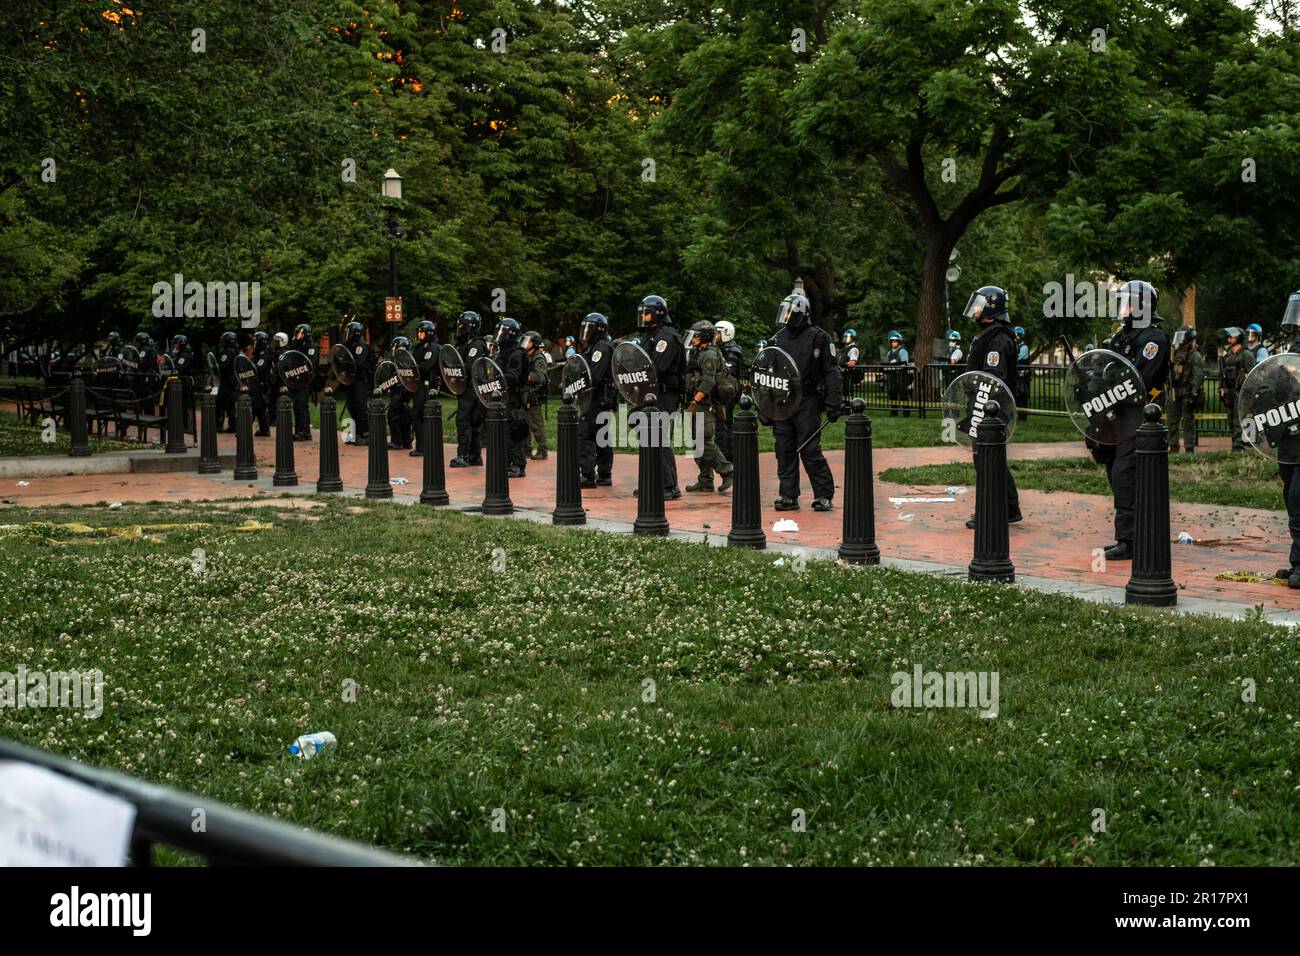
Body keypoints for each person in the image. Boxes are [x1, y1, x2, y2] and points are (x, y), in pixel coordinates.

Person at [1095, 280, 1169, 560]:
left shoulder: (1154, 339)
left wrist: (1112, 382)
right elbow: (1105, 368)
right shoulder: (1120, 336)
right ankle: (1130, 534)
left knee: (1125, 475)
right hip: (1117, 416)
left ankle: (1131, 540)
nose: (1122, 307)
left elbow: (1142, 379)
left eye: (1128, 302)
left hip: (1140, 418)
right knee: (1114, 469)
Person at [768, 291, 841, 511]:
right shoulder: (777, 338)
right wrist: (766, 406)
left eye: (789, 311)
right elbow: (767, 372)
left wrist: (833, 401)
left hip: (807, 400)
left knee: (809, 449)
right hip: (782, 402)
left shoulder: (820, 337)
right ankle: (788, 495)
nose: (785, 316)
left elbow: (831, 372)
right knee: (784, 449)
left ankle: (824, 495)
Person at [961, 287, 1023, 530]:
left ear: (990, 308)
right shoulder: (990, 334)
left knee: (986, 459)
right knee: (992, 459)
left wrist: (981, 410)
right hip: (984, 407)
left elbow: (991, 378)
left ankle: (990, 510)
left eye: (979, 304)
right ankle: (1009, 508)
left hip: (990, 409)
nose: (975, 309)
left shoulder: (997, 339)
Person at [637, 294, 683, 500]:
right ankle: (652, 481)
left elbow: (657, 368)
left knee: (656, 436)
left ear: (658, 314)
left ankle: (669, 485)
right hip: (652, 394)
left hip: (664, 393)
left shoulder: (666, 336)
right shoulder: (653, 334)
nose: (643, 317)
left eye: (646, 314)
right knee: (647, 436)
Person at [683, 321, 735, 493]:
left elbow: (708, 382)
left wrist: (695, 402)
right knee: (697, 444)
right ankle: (705, 480)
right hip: (700, 404)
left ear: (704, 337)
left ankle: (728, 471)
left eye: (696, 335)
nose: (693, 338)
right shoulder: (699, 351)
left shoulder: (709, 355)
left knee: (704, 442)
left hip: (706, 405)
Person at [1273, 290, 1300, 587]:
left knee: (1298, 497)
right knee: (1291, 496)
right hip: (1291, 437)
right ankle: (1297, 560)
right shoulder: (1293, 349)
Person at [577, 312, 615, 488]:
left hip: (597, 397)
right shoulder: (595, 347)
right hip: (601, 399)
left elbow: (595, 376)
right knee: (602, 437)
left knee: (587, 435)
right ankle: (604, 474)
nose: (586, 332)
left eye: (589, 328)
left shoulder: (601, 348)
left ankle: (588, 475)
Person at [450, 311, 487, 467]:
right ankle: (474, 456)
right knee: (472, 422)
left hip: (472, 389)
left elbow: (471, 365)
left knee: (464, 421)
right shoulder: (465, 343)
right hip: (467, 388)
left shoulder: (477, 344)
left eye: (462, 325)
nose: (459, 328)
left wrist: (454, 367)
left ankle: (464, 455)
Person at [495, 318, 530, 478]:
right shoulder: (501, 353)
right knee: (503, 432)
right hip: (501, 397)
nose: (499, 335)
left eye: (503, 332)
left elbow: (513, 376)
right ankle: (507, 462)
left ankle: (518, 465)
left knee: (513, 432)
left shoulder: (517, 353)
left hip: (513, 398)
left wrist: (497, 378)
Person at [1167, 326, 1204, 454]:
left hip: (1187, 393)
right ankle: (1173, 446)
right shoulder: (1174, 354)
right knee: (1172, 421)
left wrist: (1194, 393)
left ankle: (1189, 448)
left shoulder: (1195, 355)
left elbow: (1198, 375)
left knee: (1188, 422)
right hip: (1174, 392)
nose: (1180, 340)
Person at [1219, 326, 1256, 452]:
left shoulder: (1246, 354)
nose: (1229, 338)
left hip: (1241, 392)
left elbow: (1252, 375)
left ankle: (1238, 447)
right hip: (1230, 393)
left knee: (1237, 420)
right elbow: (1223, 374)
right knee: (1231, 420)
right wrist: (1222, 388)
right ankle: (1235, 444)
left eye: (1232, 336)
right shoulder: (1227, 354)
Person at [715, 320, 744, 461]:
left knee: (724, 422)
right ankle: (729, 453)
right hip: (726, 389)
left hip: (728, 391)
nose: (715, 335)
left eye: (718, 333)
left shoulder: (732, 351)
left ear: (726, 333)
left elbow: (728, 372)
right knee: (724, 421)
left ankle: (726, 454)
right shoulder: (723, 348)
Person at [341, 319, 373, 444]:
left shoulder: (360, 345)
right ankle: (356, 433)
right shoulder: (349, 345)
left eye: (350, 332)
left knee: (360, 406)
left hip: (360, 380)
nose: (348, 335)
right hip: (351, 380)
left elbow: (358, 362)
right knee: (352, 406)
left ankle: (365, 434)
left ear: (356, 333)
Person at [410, 320, 439, 456]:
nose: (419, 335)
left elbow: (425, 367)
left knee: (421, 414)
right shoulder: (418, 347)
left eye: (422, 332)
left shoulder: (432, 347)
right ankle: (421, 445)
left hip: (428, 385)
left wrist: (413, 367)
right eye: (419, 332)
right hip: (418, 385)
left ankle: (424, 446)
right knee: (417, 415)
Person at [288, 323, 320, 441]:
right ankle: (305, 432)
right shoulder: (297, 345)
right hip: (297, 379)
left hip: (305, 380)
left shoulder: (310, 346)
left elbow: (309, 363)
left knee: (299, 405)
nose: (297, 335)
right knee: (301, 406)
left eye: (299, 333)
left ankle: (301, 431)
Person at [523, 330, 550, 461]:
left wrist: (526, 376)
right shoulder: (525, 355)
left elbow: (540, 377)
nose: (525, 343)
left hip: (533, 394)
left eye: (528, 341)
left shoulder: (538, 358)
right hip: (524, 394)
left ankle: (542, 450)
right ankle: (526, 449)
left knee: (536, 424)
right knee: (524, 424)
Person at [169, 334, 197, 433]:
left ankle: (185, 425)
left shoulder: (185, 354)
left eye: (176, 343)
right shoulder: (181, 352)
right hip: (181, 383)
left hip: (184, 383)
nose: (175, 345)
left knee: (183, 405)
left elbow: (179, 368)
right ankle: (180, 424)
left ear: (181, 343)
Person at [250, 331, 274, 436]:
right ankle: (264, 429)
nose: (254, 343)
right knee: (259, 408)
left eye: (256, 341)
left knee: (256, 406)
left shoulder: (265, 354)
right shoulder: (258, 353)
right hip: (257, 383)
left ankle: (245, 428)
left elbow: (259, 368)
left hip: (262, 384)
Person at [216, 330, 240, 432]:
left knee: (220, 404)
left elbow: (223, 366)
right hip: (234, 382)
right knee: (231, 405)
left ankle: (219, 425)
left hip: (226, 382)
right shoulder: (237, 351)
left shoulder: (227, 352)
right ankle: (233, 426)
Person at [884, 331, 911, 416]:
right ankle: (894, 411)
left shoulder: (902, 351)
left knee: (902, 393)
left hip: (901, 375)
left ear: (899, 342)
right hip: (891, 375)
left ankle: (906, 412)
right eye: (892, 341)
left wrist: (896, 364)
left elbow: (904, 362)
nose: (893, 343)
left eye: (895, 341)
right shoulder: (889, 352)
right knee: (892, 393)